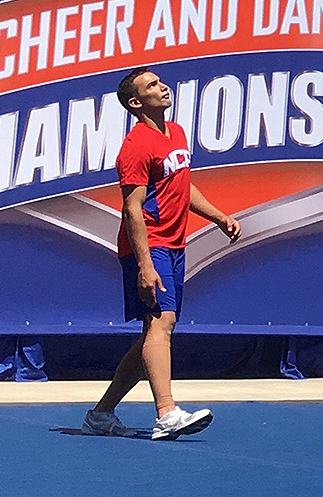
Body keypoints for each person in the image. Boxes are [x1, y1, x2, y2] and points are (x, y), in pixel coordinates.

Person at [82, 67, 242, 440]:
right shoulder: (136, 146)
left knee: (151, 335)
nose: (163, 86)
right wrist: (144, 265)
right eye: (152, 85)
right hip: (148, 246)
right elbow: (132, 208)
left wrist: (219, 216)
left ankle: (101, 414)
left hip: (174, 244)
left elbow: (182, 187)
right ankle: (166, 414)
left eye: (160, 81)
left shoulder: (177, 134)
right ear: (136, 102)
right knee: (161, 323)